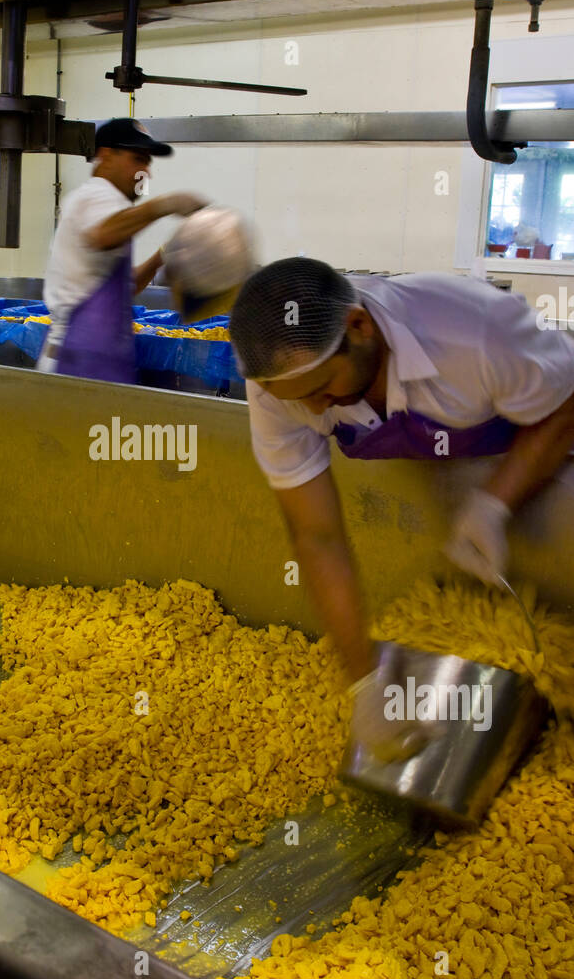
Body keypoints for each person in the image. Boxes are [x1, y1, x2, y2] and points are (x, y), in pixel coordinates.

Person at [229, 259, 574, 756]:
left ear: (360, 327)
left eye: (322, 390)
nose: (315, 410)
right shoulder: (281, 385)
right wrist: (365, 684)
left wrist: (495, 504)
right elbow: (316, 535)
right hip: (459, 461)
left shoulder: (474, 331)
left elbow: (562, 409)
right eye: (295, 400)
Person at [38, 118, 206, 382]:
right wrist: (165, 205)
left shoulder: (112, 207)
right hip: (76, 363)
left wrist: (164, 254)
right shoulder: (96, 194)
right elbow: (103, 235)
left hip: (97, 360)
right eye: (138, 159)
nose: (146, 173)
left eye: (148, 163)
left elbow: (124, 288)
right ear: (105, 155)